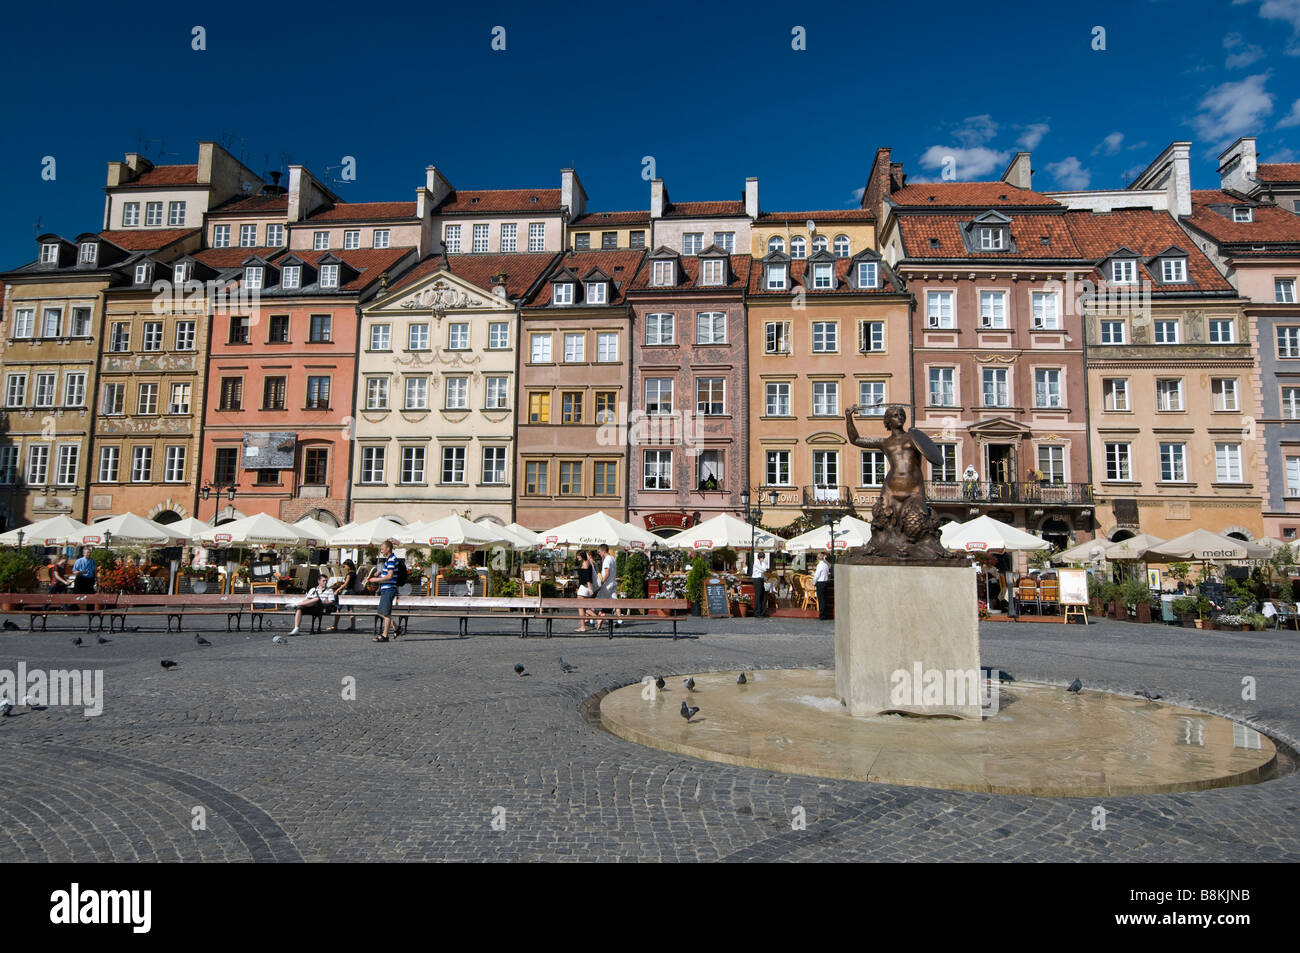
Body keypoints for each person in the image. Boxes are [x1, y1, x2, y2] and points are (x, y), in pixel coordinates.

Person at [372, 540, 399, 642]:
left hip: (389, 588)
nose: (381, 550)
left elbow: (390, 576)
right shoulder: (389, 560)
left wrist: (376, 580)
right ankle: (396, 628)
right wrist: (380, 572)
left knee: (386, 613)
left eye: (382, 549)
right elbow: (388, 572)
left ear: (388, 549)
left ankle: (385, 635)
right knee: (380, 612)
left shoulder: (391, 559)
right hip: (386, 589)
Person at [326, 559, 358, 632]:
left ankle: (335, 626)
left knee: (338, 608)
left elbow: (346, 583)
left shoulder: (350, 573)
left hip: (346, 592)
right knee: (350, 609)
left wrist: (337, 590)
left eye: (345, 566)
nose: (344, 567)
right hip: (352, 591)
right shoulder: (354, 573)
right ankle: (353, 626)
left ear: (349, 566)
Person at [595, 543, 620, 626]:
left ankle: (597, 618)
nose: (599, 554)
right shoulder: (612, 558)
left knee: (597, 601)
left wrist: (602, 582)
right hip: (613, 582)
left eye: (599, 552)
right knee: (615, 602)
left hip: (607, 584)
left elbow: (607, 572)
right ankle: (619, 620)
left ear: (603, 551)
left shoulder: (606, 560)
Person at [574, 550, 596, 632]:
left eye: (578, 555)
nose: (577, 557)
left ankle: (583, 627)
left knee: (581, 607)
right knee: (584, 607)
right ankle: (598, 619)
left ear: (582, 555)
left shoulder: (585, 563)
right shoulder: (588, 562)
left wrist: (590, 588)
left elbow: (587, 577)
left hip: (585, 587)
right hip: (586, 587)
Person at [750, 550, 770, 617]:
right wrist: (763, 562)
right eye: (762, 558)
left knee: (763, 596)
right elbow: (764, 569)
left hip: (761, 579)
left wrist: (765, 578)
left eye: (763, 558)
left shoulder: (760, 563)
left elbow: (762, 573)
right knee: (758, 596)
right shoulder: (756, 563)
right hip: (757, 580)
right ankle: (757, 612)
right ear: (760, 557)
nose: (763, 559)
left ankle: (763, 612)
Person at [814, 552, 832, 620]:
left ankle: (822, 615)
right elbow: (828, 572)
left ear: (817, 559)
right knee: (824, 598)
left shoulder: (820, 565)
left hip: (820, 582)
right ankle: (825, 614)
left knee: (821, 599)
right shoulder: (826, 565)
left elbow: (817, 575)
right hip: (825, 582)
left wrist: (814, 582)